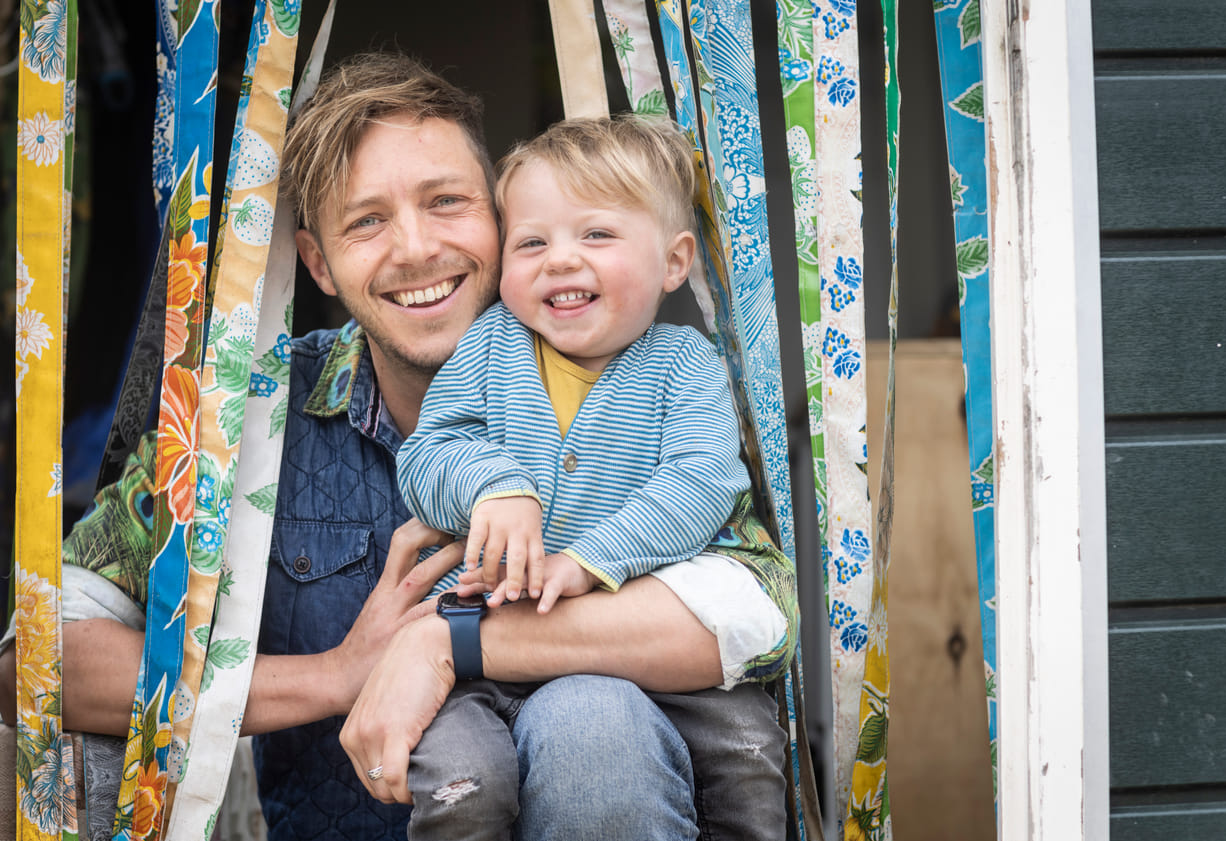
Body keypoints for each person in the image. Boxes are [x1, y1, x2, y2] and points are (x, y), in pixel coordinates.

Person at [0, 52, 799, 841]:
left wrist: (447, 641)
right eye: (366, 220)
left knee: (594, 719)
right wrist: (333, 674)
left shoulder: (646, 383)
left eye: (447, 201)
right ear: (319, 262)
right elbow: (36, 663)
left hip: (615, 785)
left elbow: (760, 608)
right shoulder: (244, 420)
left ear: (501, 219)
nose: (415, 248)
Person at [391, 116, 787, 841]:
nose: (561, 260)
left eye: (597, 235)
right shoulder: (490, 344)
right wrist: (495, 484)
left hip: (651, 654)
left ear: (673, 262)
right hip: (483, 664)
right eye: (532, 243)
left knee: (748, 763)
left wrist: (590, 559)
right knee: (459, 788)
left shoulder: (684, 364)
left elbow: (701, 482)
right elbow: (426, 454)